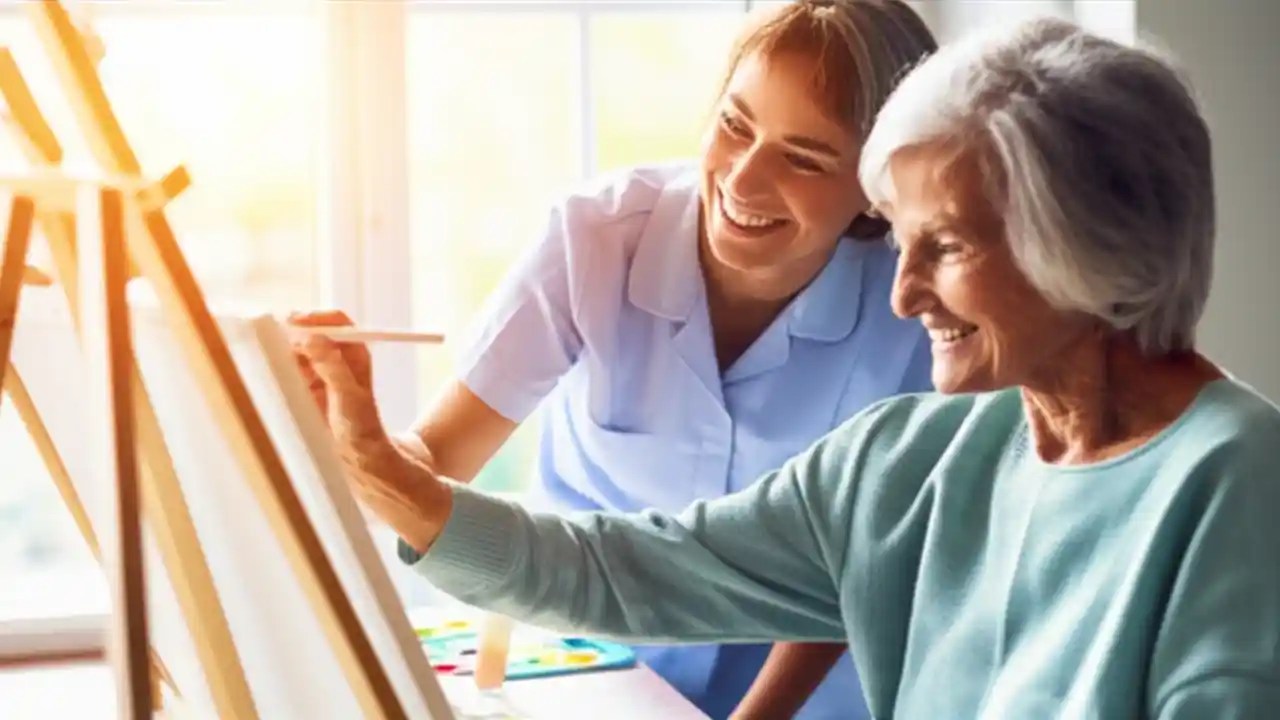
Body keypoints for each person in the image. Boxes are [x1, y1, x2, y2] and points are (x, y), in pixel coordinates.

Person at [297, 15, 1280, 718]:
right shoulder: (908, 457)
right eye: (897, 241)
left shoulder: (1232, 480)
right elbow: (627, 569)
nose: (900, 295)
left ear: (1081, 246)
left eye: (943, 247)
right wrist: (383, 474)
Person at [290, 2, 938, 718]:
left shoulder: (916, 308)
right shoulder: (595, 238)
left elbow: (852, 576)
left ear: (878, 189)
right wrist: (351, 436)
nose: (743, 181)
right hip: (593, 675)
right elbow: (432, 466)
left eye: (803, 158)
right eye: (733, 125)